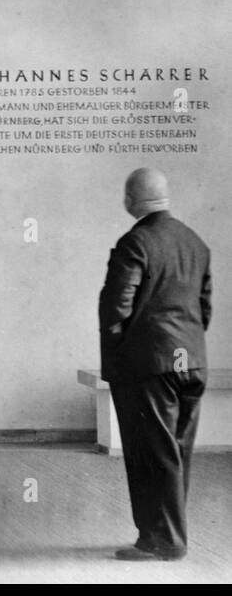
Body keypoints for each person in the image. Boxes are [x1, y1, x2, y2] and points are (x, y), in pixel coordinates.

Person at [99, 168, 212, 562]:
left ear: (133, 200)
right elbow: (205, 307)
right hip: (191, 361)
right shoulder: (194, 242)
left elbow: (116, 308)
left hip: (149, 366)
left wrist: (118, 355)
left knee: (152, 452)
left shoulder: (136, 242)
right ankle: (165, 533)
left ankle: (164, 540)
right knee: (177, 450)